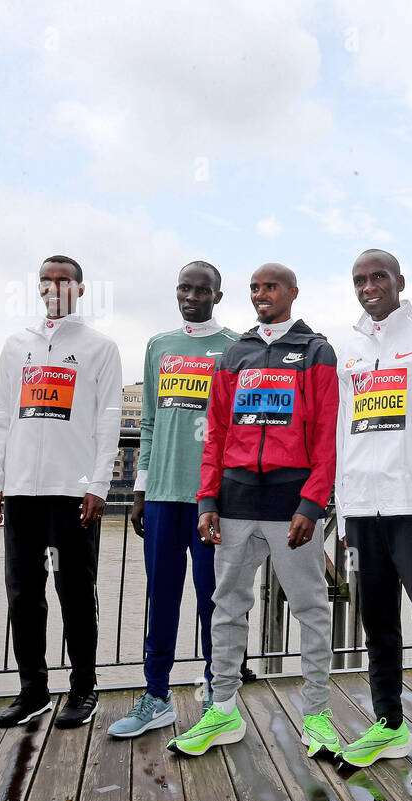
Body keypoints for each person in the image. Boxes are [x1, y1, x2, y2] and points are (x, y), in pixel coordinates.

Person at [168, 263, 341, 757]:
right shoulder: (235, 355)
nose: (261, 294)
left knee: (310, 610)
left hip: (292, 508)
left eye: (271, 287)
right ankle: (221, 711)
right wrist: (207, 499)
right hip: (235, 502)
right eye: (255, 288)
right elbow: (215, 433)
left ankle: (316, 715)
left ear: (293, 292)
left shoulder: (316, 352)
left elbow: (326, 436)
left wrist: (313, 501)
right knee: (226, 608)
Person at [333, 249, 412, 786]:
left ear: (399, 281)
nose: (369, 286)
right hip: (362, 508)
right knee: (377, 626)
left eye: (378, 277)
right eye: (360, 279)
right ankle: (388, 723)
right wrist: (341, 512)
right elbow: (341, 430)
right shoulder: (346, 348)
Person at [0, 254, 123, 729]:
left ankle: (83, 689)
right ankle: (33, 691)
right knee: (23, 593)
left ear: (81, 289)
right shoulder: (15, 345)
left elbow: (109, 420)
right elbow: (2, 415)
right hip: (22, 489)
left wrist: (99, 485)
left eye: (64, 281)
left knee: (75, 591)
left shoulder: (99, 347)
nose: (54, 287)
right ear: (38, 287)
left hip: (73, 490)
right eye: (46, 280)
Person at [108, 262, 240, 738]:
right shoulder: (159, 346)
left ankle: (216, 693)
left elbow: (239, 428)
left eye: (201, 290)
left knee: (214, 601)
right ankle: (156, 695)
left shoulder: (236, 348)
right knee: (161, 597)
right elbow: (147, 423)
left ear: (217, 296)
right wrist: (141, 489)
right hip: (163, 494)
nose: (191, 296)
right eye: (184, 288)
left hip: (211, 499)